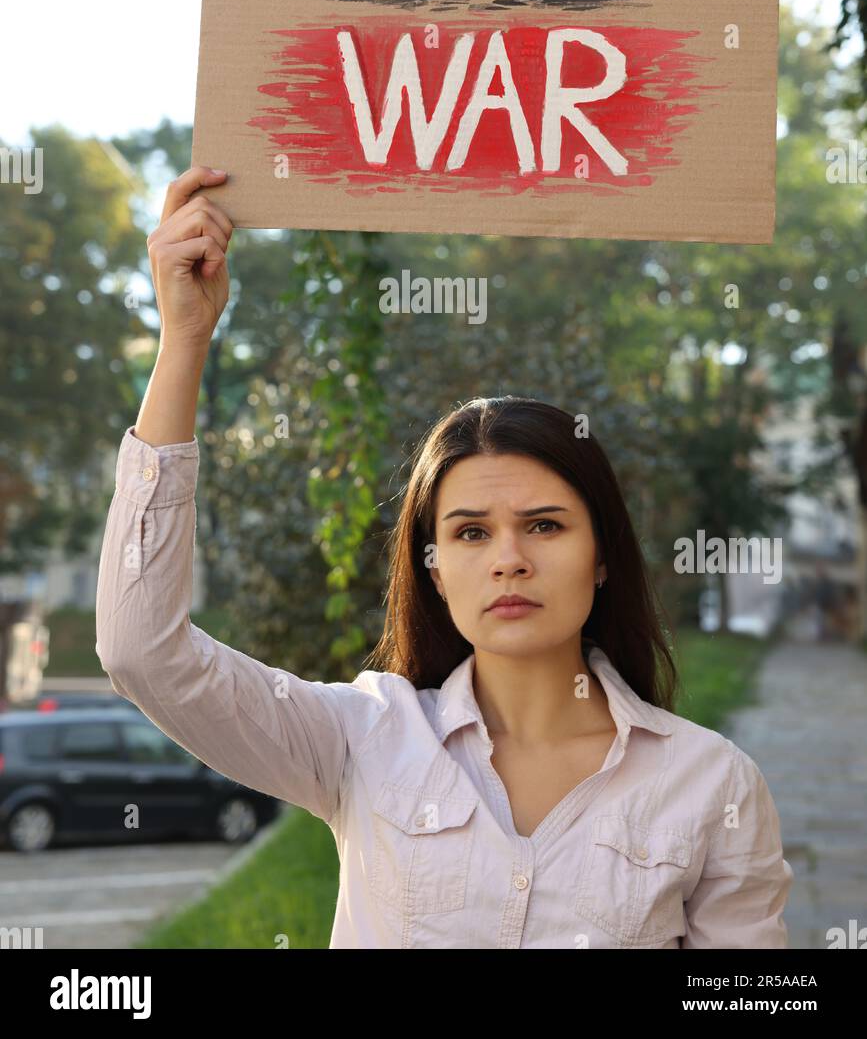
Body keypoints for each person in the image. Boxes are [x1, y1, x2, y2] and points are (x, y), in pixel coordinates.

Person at [95, 165, 794, 950]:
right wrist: (184, 337)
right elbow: (141, 651)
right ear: (432, 568)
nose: (507, 559)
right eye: (469, 532)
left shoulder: (709, 784)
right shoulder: (363, 739)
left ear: (602, 557)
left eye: (545, 526)